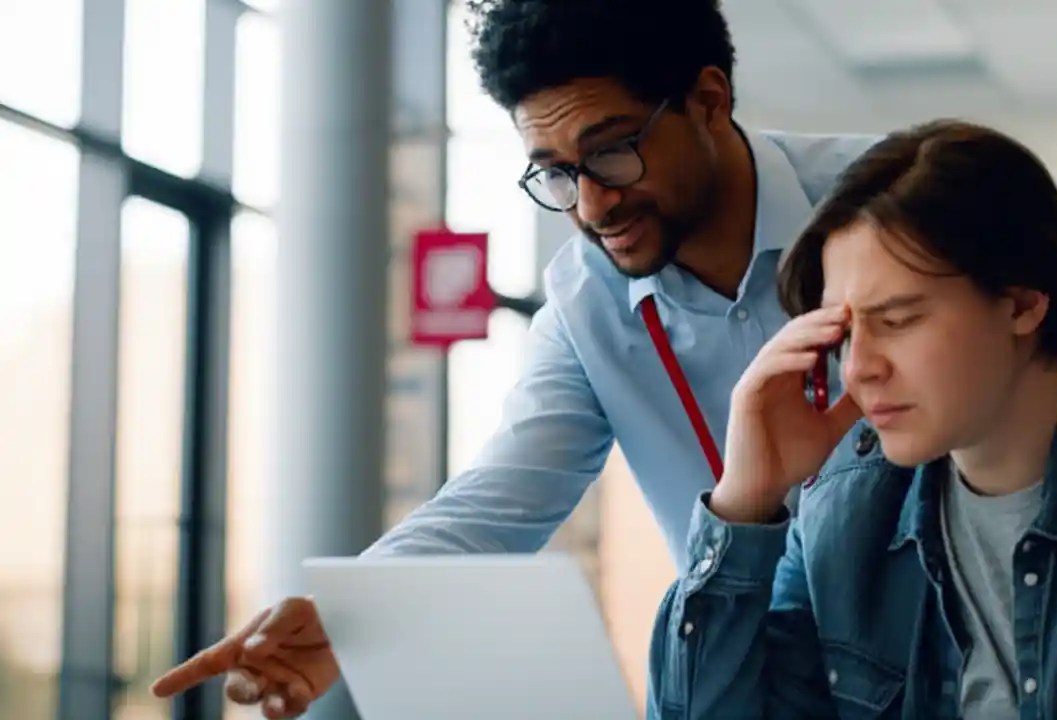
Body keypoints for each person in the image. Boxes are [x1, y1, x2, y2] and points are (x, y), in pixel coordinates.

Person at [150, 0, 880, 717]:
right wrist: (352, 613)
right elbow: (501, 497)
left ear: (709, 99)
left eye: (612, 152)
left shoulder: (892, 208)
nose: (591, 207)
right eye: (556, 172)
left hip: (931, 653)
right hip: (742, 675)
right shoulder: (585, 301)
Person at [645, 119, 1057, 718]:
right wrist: (746, 502)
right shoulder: (840, 508)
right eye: (841, 331)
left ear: (1023, 305)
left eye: (895, 322)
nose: (859, 368)